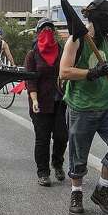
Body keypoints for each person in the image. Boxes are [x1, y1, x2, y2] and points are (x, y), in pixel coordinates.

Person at [59, 0, 108, 215]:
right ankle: (76, 193)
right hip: (81, 107)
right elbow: (64, 72)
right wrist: (91, 73)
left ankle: (102, 190)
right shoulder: (76, 40)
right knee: (79, 157)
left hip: (107, 106)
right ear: (97, 18)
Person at [24, 18, 67, 186]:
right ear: (38, 33)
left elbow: (66, 71)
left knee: (61, 136)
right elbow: (30, 80)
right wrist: (34, 99)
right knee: (42, 139)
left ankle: (57, 164)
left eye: (50, 28)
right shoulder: (32, 54)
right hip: (40, 102)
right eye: (44, 29)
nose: (48, 31)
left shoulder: (62, 51)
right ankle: (43, 172)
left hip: (59, 101)